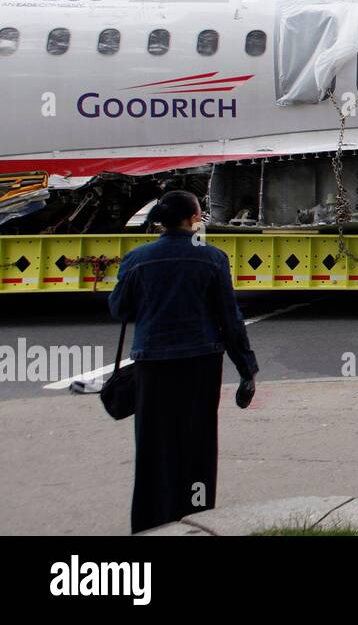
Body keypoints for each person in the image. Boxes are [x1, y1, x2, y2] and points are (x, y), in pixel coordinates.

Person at [108, 189, 259, 533]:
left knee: (153, 448)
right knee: (198, 448)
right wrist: (246, 369)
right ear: (193, 219)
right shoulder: (213, 258)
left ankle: (151, 524)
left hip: (152, 366)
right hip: (200, 365)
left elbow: (120, 308)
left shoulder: (136, 258)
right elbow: (230, 320)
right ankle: (196, 518)